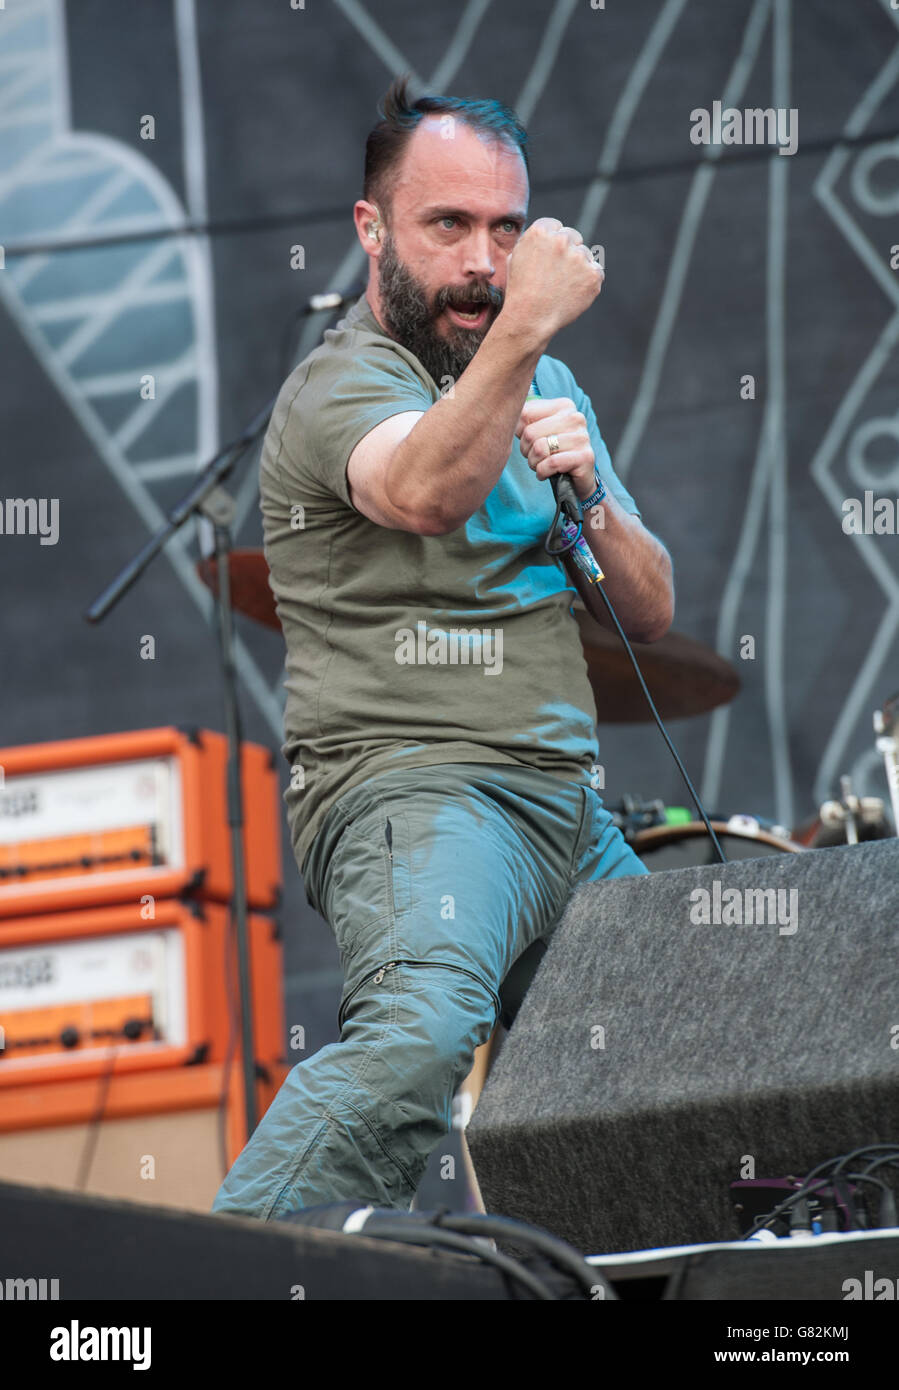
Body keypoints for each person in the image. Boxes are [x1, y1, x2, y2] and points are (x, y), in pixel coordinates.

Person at [212, 76, 674, 1221]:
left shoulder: (543, 382)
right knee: (418, 1029)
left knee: (683, 1033)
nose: (482, 259)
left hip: (562, 807)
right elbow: (424, 488)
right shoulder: (338, 384)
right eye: (449, 226)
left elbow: (652, 608)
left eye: (506, 230)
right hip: (412, 787)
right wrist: (524, 327)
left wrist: (591, 498)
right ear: (371, 229)